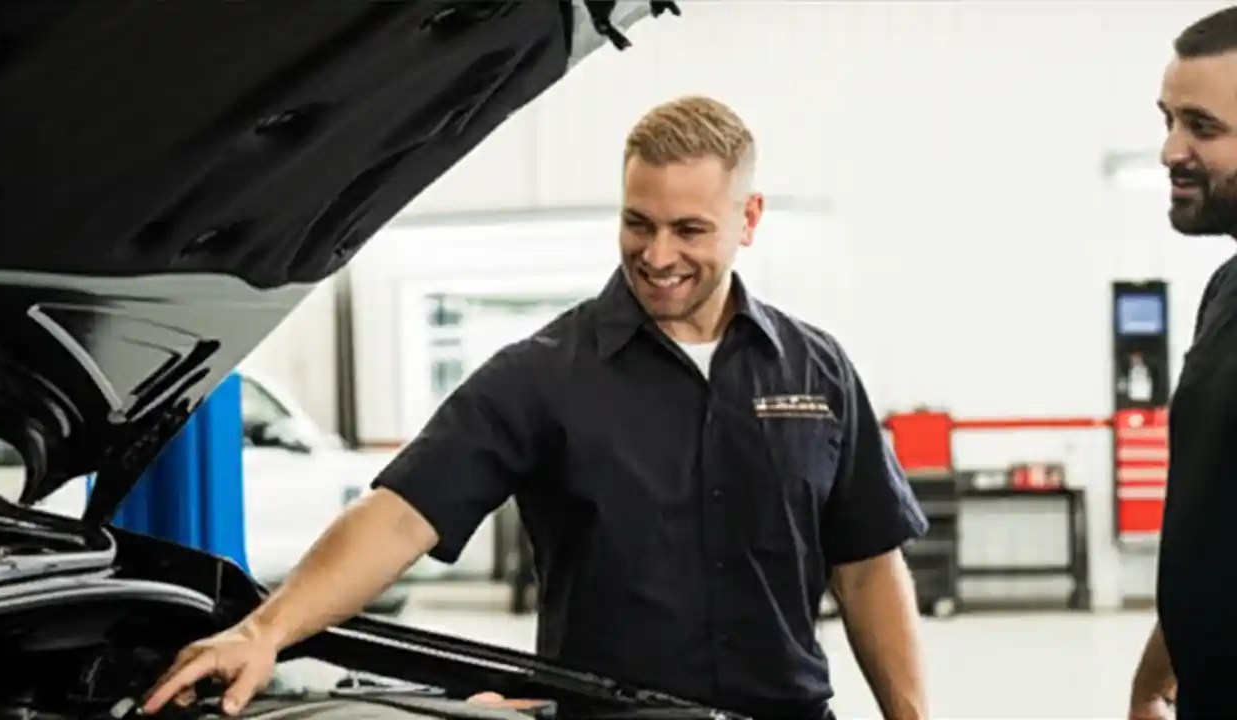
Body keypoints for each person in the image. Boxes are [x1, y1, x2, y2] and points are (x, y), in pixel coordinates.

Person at [142, 95, 931, 720]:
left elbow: (867, 567)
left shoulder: (818, 371)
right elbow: (400, 516)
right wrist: (265, 630)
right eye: (638, 224)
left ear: (748, 218)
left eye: (690, 230)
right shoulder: (542, 376)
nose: (658, 256)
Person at [1129, 7, 1237, 719]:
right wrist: (1155, 677)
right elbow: (1214, 524)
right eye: (1169, 120)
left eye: (1202, 127)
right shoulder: (1225, 291)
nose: (1171, 150)